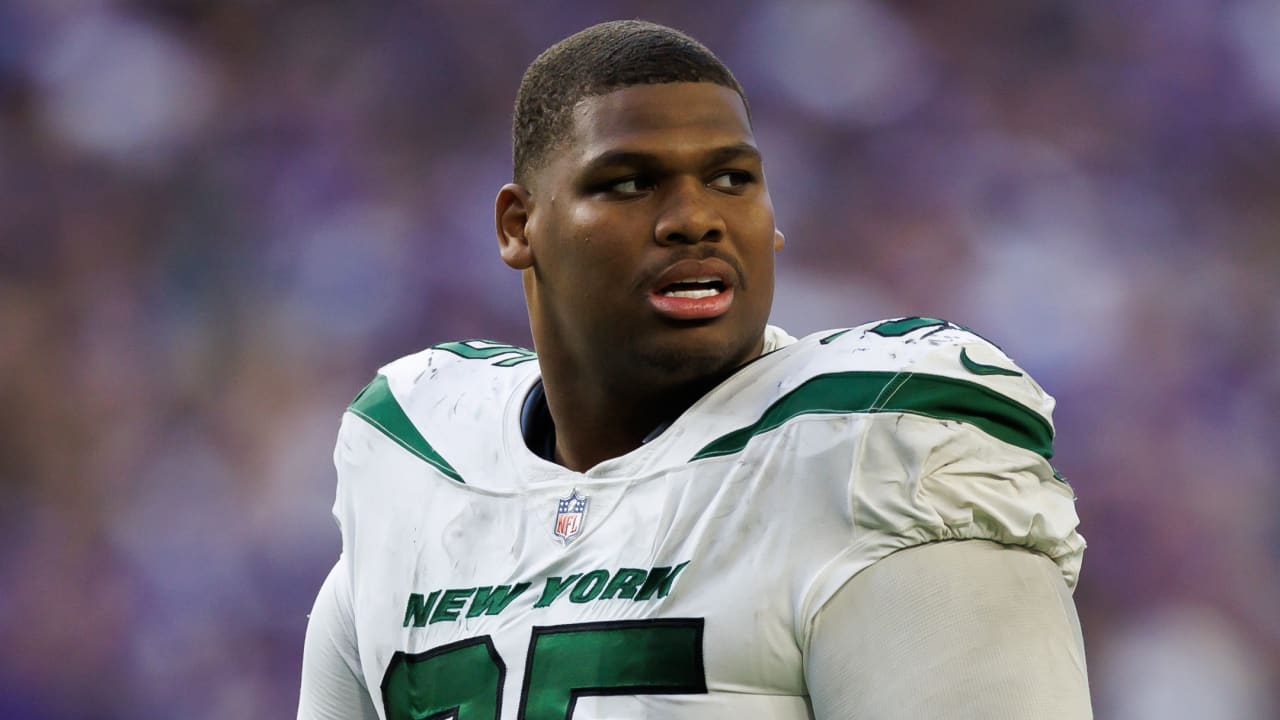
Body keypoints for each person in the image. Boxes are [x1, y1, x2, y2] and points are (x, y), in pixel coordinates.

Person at [297, 19, 1090, 720]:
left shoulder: (874, 452)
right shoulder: (417, 461)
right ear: (519, 226)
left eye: (731, 179)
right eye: (631, 183)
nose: (695, 219)